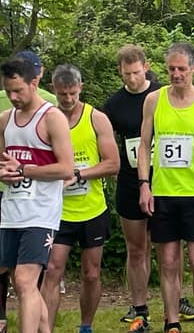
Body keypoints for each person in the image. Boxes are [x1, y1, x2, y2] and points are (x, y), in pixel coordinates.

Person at [139, 42, 194, 333]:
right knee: (169, 262)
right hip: (163, 193)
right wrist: (144, 185)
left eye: (181, 69)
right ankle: (172, 322)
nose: (176, 74)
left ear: (193, 69)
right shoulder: (154, 100)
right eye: (171, 69)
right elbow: (143, 145)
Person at [0, 55, 74, 333]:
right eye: (8, 92)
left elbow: (66, 168)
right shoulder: (5, 120)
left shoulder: (52, 118)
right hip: (11, 212)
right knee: (20, 283)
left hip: (41, 212)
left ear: (34, 83)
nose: (13, 97)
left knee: (27, 283)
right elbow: (5, 161)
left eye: (19, 90)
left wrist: (25, 169)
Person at [42, 65, 120, 333]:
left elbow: (113, 164)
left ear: (81, 88)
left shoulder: (96, 118)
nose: (68, 99)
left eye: (73, 93)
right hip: (57, 210)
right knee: (52, 269)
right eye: (63, 94)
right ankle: (46, 328)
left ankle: (86, 326)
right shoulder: (45, 119)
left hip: (92, 210)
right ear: (54, 90)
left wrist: (78, 173)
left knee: (91, 273)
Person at [102, 44, 162, 331]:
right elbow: (105, 141)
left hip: (165, 179)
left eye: (136, 73)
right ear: (120, 72)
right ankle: (139, 307)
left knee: (167, 248)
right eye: (127, 74)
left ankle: (175, 301)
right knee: (136, 248)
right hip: (129, 181)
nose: (132, 79)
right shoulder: (113, 105)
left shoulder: (163, 94)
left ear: (146, 67)